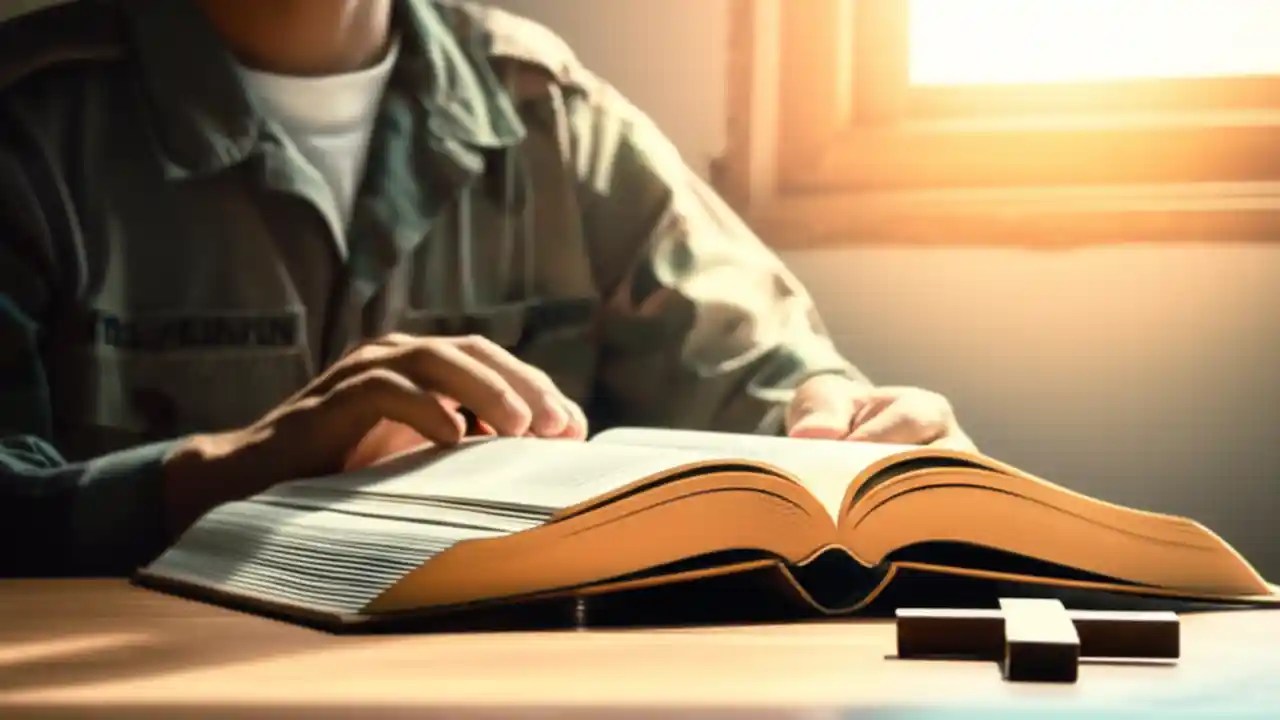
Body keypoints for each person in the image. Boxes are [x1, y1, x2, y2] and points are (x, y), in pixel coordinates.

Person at [0, 0, 974, 577]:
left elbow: (771, 385)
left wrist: (861, 446)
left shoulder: (550, 113)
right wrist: (232, 467)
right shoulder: (34, 122)